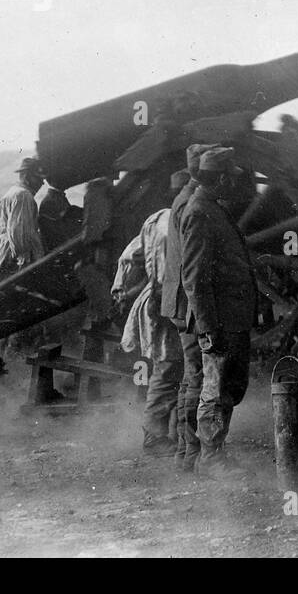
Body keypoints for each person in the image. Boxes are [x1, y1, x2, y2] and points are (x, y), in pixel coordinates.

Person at [181, 147, 259, 476]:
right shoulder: (200, 211)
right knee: (216, 388)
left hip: (230, 316)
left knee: (225, 386)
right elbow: (194, 279)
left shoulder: (210, 208)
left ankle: (212, 453)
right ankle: (211, 459)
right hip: (220, 320)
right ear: (223, 177)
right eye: (231, 177)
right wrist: (208, 328)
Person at [111, 170, 190, 457]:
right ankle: (155, 438)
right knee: (170, 368)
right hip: (174, 303)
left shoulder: (155, 219)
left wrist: (122, 289)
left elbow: (129, 257)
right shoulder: (181, 224)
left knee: (169, 366)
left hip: (156, 300)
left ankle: (170, 433)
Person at [163, 144, 213, 472]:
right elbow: (193, 270)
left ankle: (184, 448)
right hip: (188, 305)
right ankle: (193, 452)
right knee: (197, 376)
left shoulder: (182, 199)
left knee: (190, 375)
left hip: (179, 303)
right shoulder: (193, 205)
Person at [0, 156, 47, 286]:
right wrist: (27, 263)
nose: (42, 183)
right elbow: (19, 235)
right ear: (26, 177)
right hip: (14, 256)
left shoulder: (11, 193)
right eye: (38, 178)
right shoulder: (23, 196)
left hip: (1, 253)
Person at [36, 176, 82, 252]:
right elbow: (55, 230)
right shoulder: (50, 200)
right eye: (63, 179)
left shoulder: (56, 197)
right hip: (61, 248)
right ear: (55, 181)